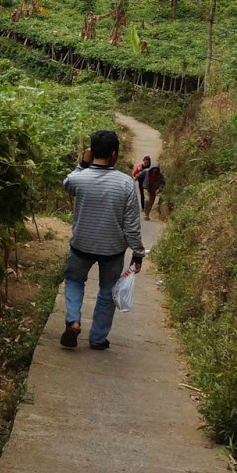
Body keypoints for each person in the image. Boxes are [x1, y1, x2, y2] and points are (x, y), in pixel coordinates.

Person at [61, 129, 146, 351]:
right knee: (107, 290)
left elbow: (67, 182)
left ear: (92, 151)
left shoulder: (78, 178)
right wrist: (137, 252)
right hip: (112, 249)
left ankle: (73, 320)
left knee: (74, 281)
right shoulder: (126, 184)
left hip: (81, 245)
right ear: (114, 153)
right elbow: (131, 225)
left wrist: (83, 163)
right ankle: (97, 338)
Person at [133, 156, 164, 220]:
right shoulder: (146, 171)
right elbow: (140, 174)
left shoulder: (160, 176)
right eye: (154, 168)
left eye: (156, 168)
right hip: (146, 188)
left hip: (154, 190)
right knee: (147, 200)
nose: (155, 170)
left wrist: (159, 189)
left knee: (151, 203)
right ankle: (145, 214)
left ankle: (147, 215)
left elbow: (162, 183)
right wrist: (136, 177)